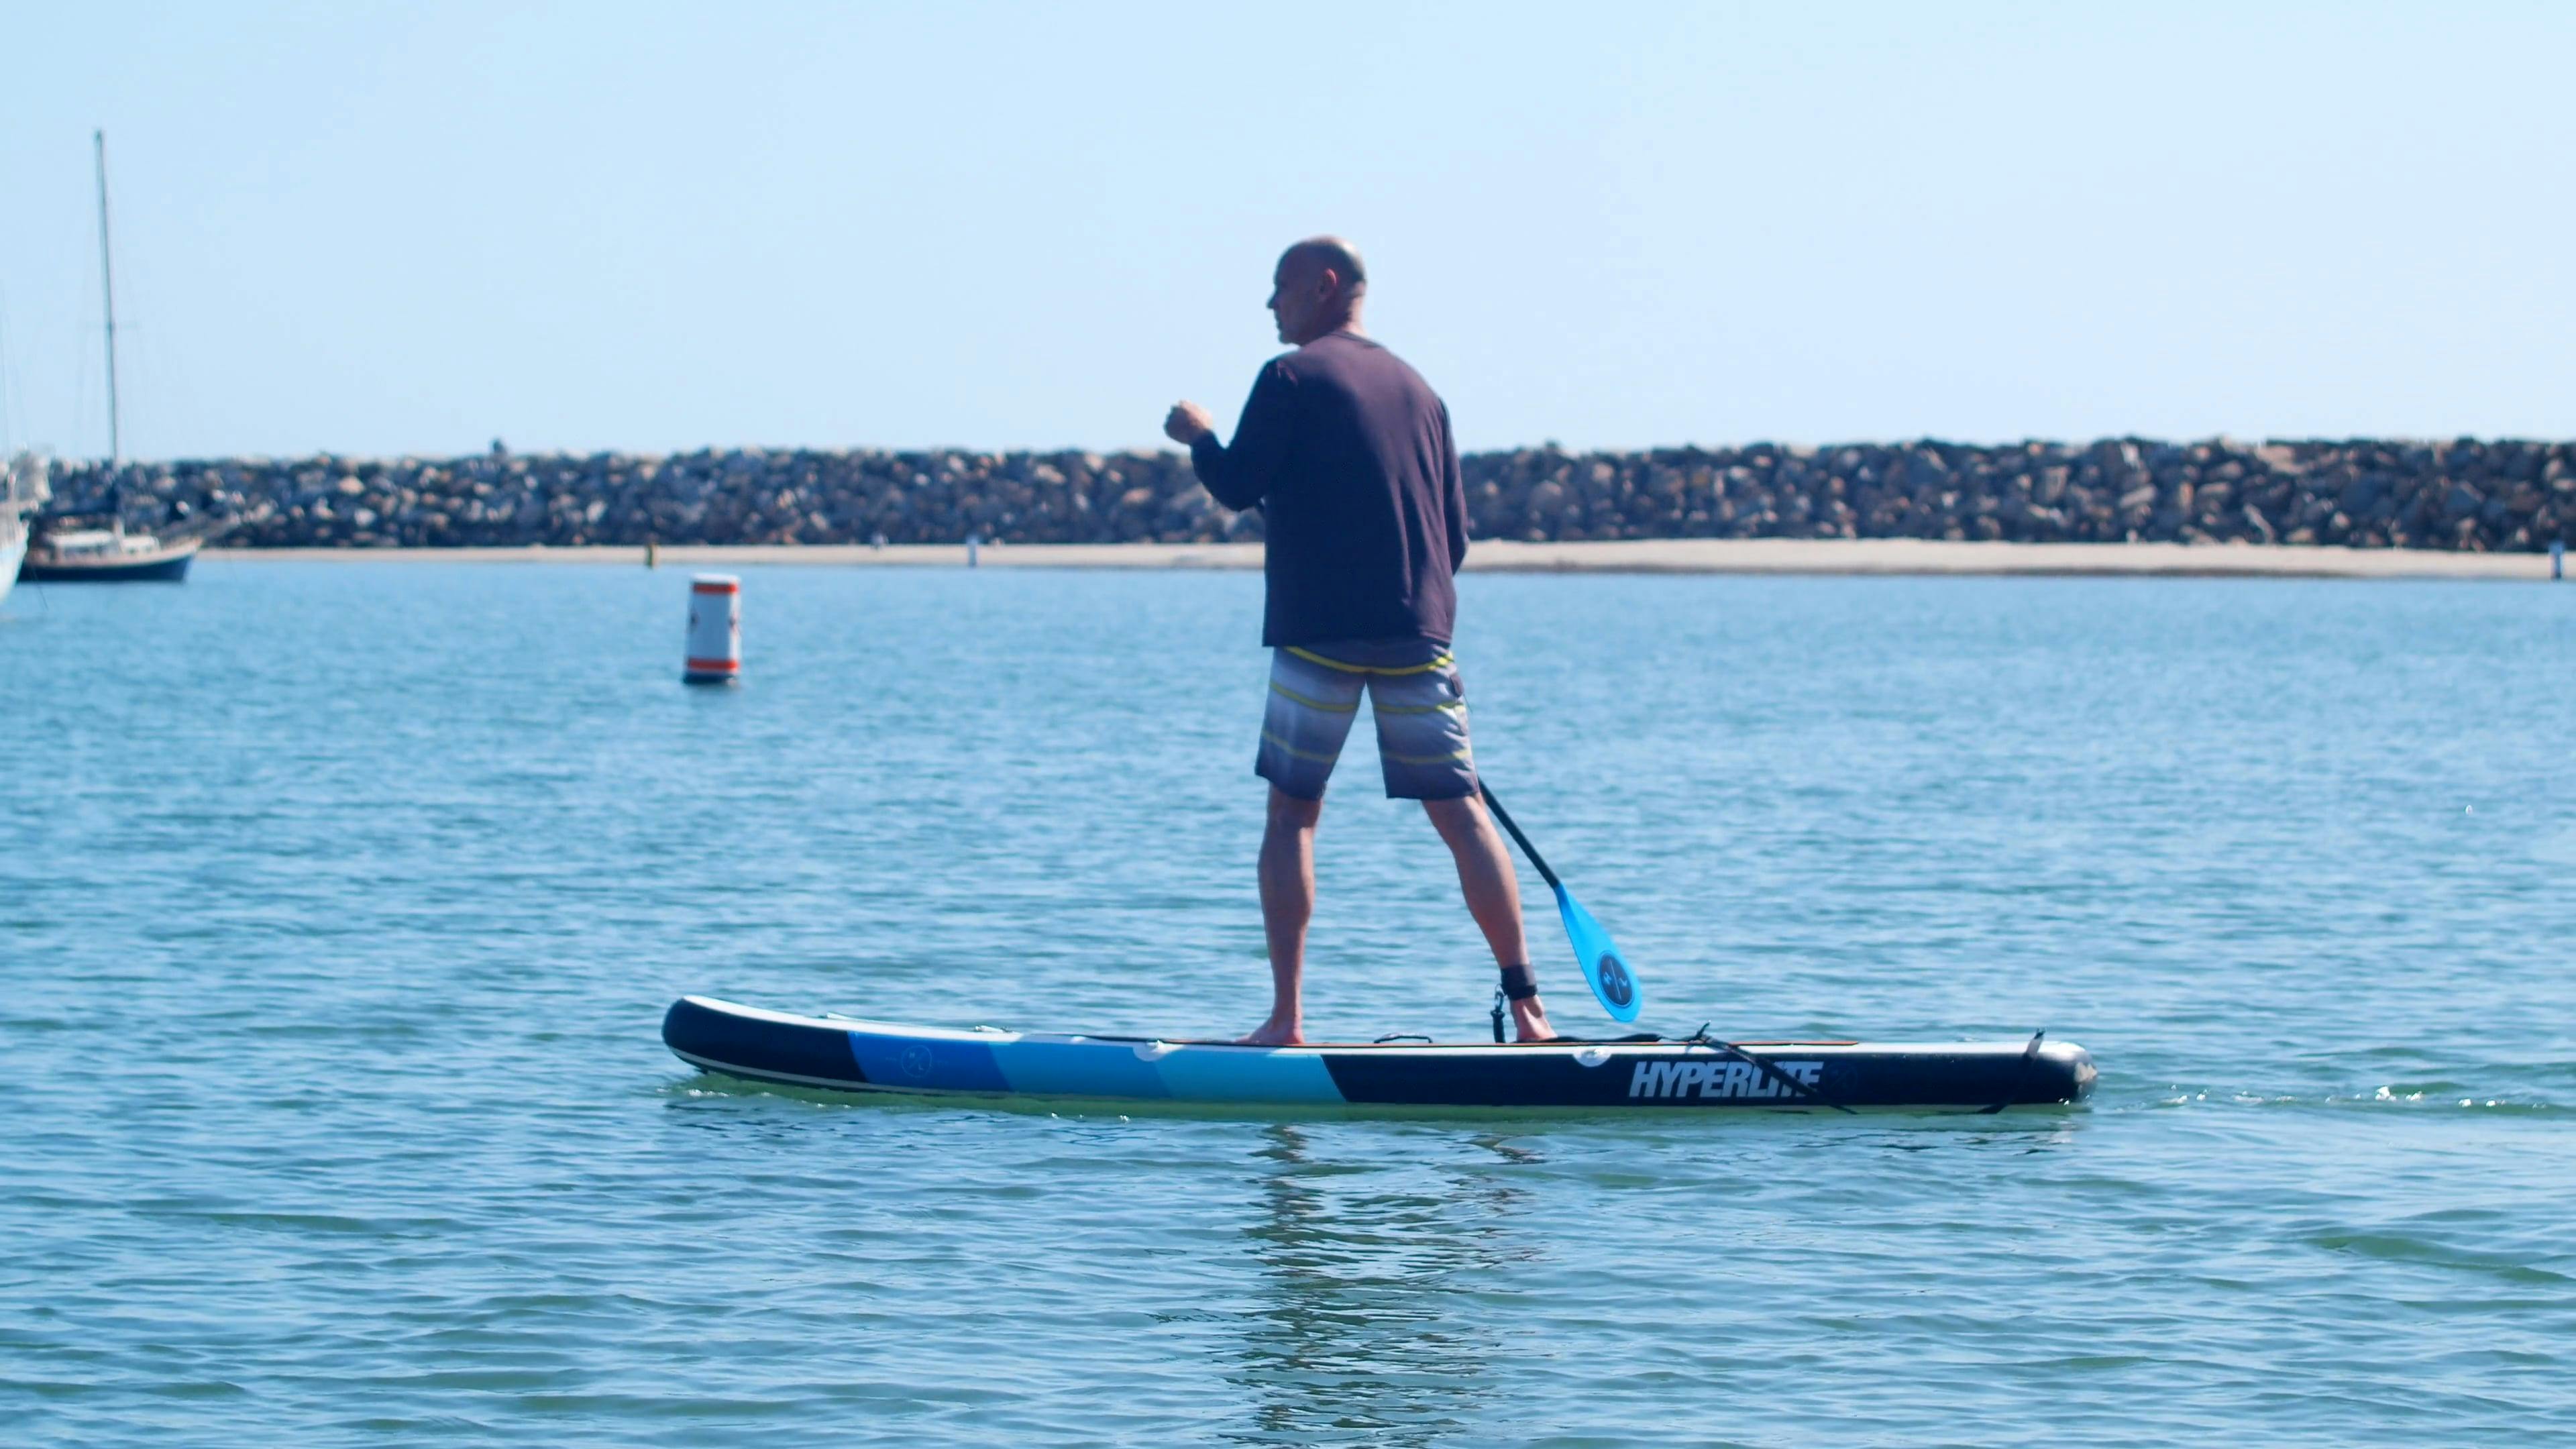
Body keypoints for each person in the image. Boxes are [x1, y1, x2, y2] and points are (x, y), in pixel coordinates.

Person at [1163, 237, 1556, 1046]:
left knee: (1292, 819)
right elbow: (1455, 539)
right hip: (1420, 632)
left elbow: (1237, 485)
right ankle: (1530, 1013)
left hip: (1320, 637)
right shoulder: (1422, 392)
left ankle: (1285, 1022)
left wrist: (1198, 435)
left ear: (1323, 287)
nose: (1270, 305)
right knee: (1462, 816)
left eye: (1279, 288)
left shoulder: (1290, 377)